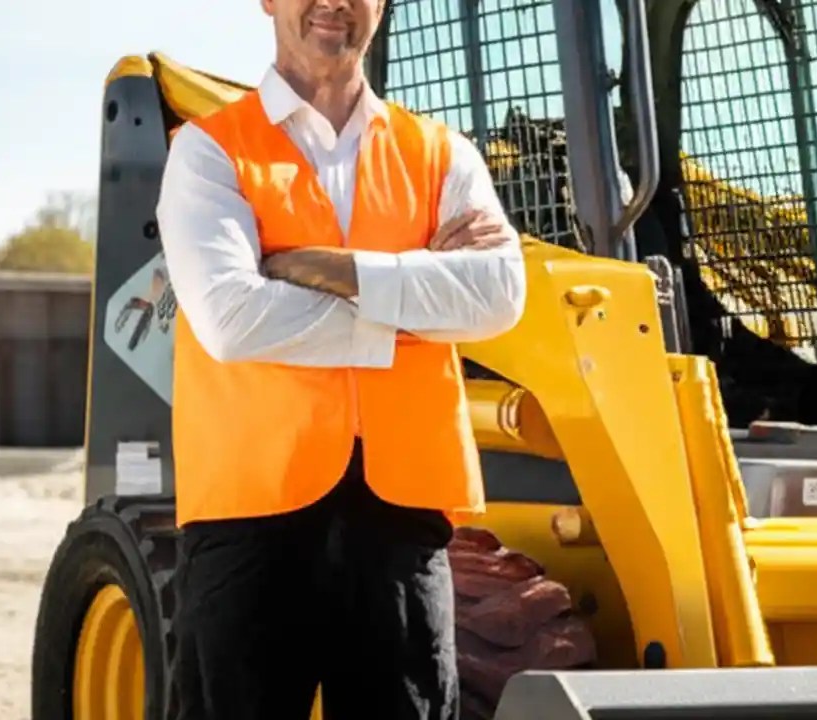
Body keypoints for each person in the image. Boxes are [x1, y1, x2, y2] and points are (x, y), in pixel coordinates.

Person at [153, 0, 526, 718]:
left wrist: (335, 270)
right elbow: (234, 319)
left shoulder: (441, 153)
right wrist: (412, 307)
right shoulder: (208, 151)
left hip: (399, 517)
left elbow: (500, 296)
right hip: (248, 515)